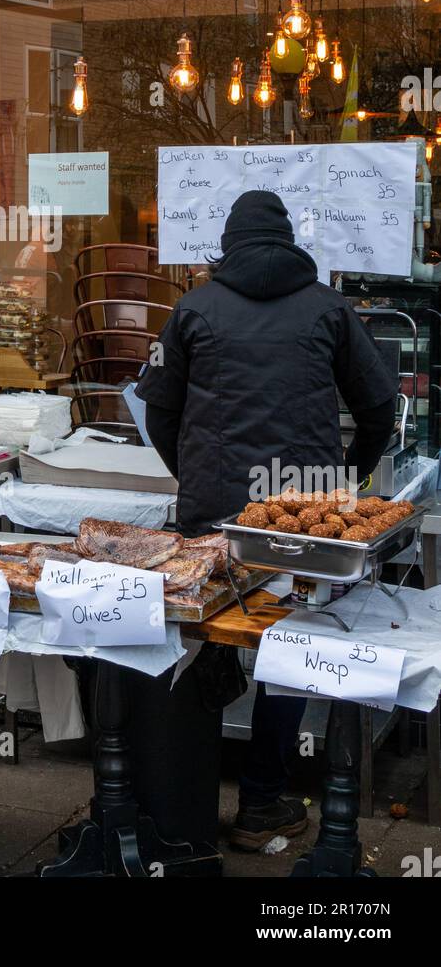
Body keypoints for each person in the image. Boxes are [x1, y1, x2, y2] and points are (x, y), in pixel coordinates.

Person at [136, 190, 397, 849]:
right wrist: (347, 480)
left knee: (203, 630)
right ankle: (262, 800)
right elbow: (380, 405)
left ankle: (181, 798)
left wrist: (190, 472)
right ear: (287, 241)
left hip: (211, 510)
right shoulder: (328, 307)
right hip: (300, 518)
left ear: (229, 244)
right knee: (292, 644)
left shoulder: (194, 307)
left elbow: (158, 406)